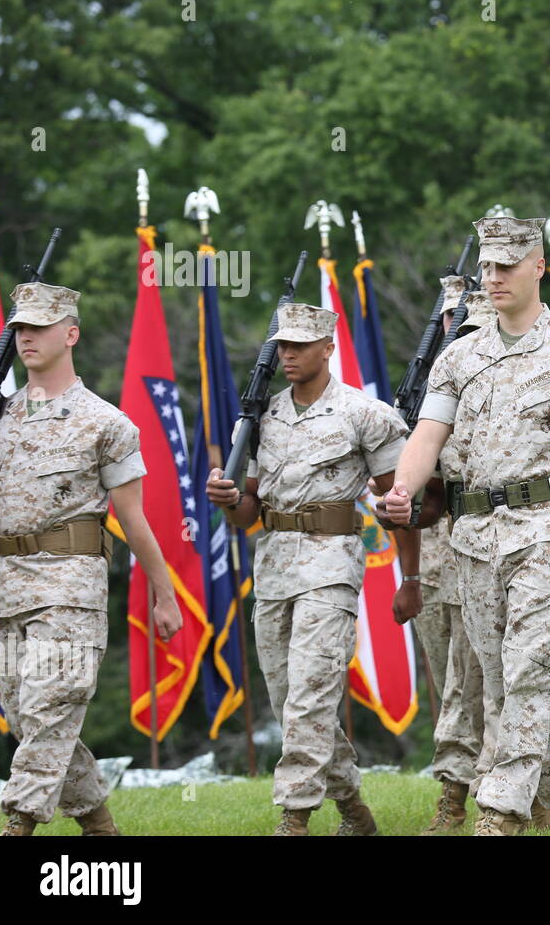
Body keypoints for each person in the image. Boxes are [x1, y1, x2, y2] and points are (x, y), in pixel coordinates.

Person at [385, 215, 550, 836]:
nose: (492, 278)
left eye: (505, 266)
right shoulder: (459, 357)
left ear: (537, 268)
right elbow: (428, 435)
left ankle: (500, 814)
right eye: (486, 268)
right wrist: (402, 487)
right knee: (507, 687)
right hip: (474, 540)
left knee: (528, 674)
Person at [207, 302, 418, 836]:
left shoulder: (364, 413)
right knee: (292, 701)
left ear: (328, 347)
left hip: (331, 565)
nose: (289, 354)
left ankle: (294, 818)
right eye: (283, 345)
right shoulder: (260, 417)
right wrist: (228, 499)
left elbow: (402, 499)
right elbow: (248, 513)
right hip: (274, 566)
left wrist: (410, 571)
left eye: (301, 344)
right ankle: (354, 810)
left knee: (310, 692)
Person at [0, 282, 183, 836]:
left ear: (70, 333)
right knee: (31, 720)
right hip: (4, 588)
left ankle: (18, 825)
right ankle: (101, 829)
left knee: (51, 709)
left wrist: (164, 594)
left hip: (68, 590)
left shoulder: (106, 424)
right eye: (19, 328)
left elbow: (135, 520)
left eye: (39, 327)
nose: (25, 337)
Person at [415, 280, 491, 833]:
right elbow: (424, 501)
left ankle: (468, 794)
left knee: (479, 683)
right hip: (441, 564)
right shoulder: (432, 401)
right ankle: (477, 784)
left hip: (496, 555)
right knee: (453, 685)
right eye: (448, 326)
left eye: (464, 328)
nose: (454, 336)